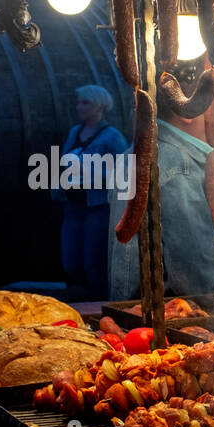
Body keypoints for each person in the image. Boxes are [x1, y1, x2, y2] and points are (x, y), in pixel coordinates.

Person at [107, 84, 214, 299]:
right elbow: (197, 282)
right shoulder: (182, 169)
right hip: (183, 321)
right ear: (188, 111)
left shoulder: (134, 154)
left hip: (140, 320)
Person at [54, 85, 128, 299]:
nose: (79, 107)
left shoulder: (112, 137)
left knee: (94, 261)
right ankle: (77, 301)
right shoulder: (74, 132)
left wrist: (89, 170)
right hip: (73, 206)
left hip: (98, 207)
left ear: (100, 106)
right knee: (71, 260)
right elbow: (63, 162)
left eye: (85, 103)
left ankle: (98, 306)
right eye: (79, 102)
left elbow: (123, 170)